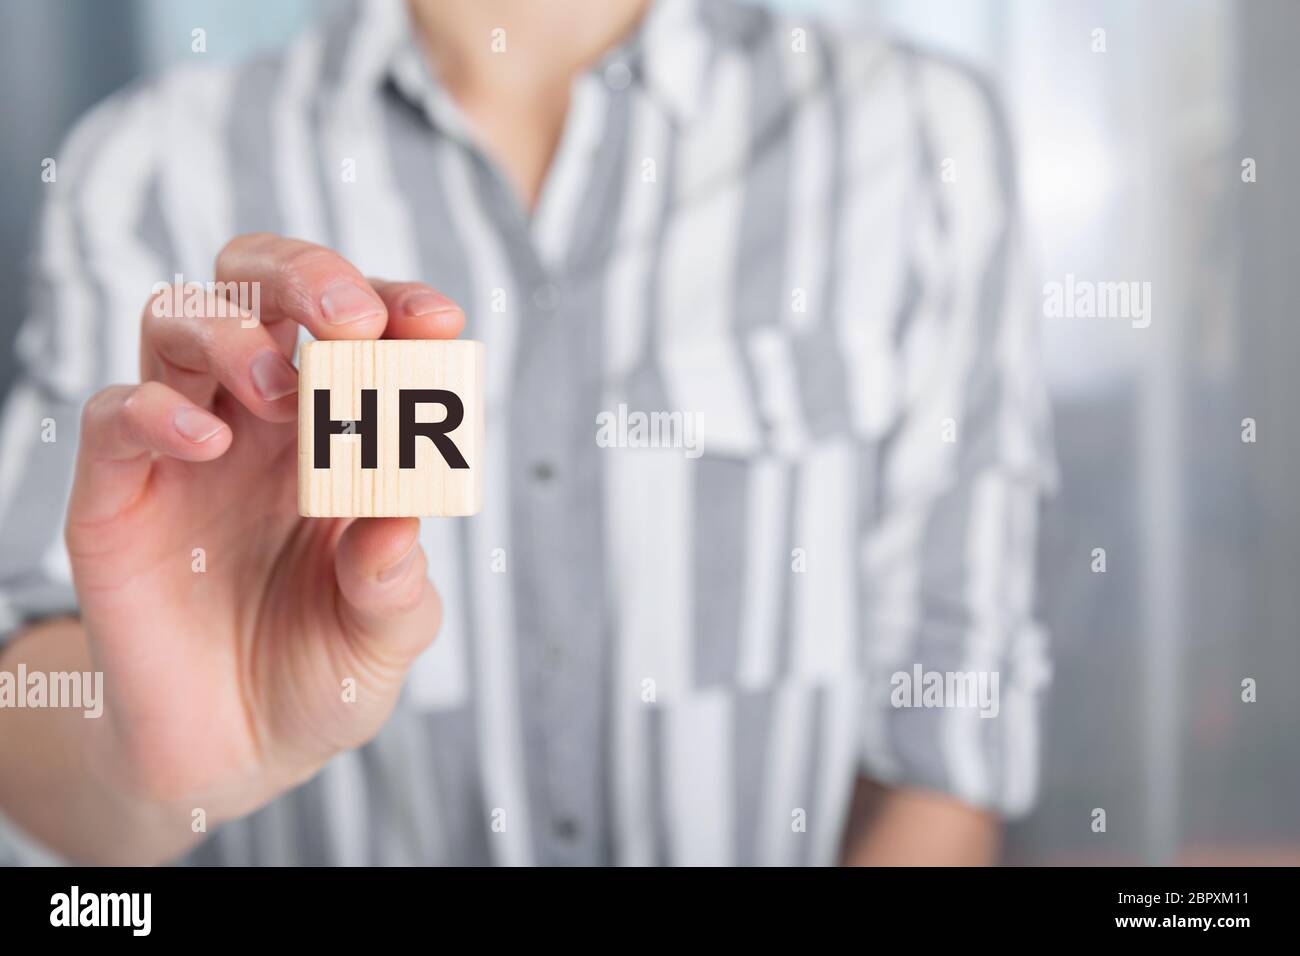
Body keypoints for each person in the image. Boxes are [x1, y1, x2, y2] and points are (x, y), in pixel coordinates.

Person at [0, 0, 1054, 866]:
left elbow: (941, 739)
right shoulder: (149, 170)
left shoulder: (918, 139)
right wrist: (136, 759)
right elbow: (28, 677)